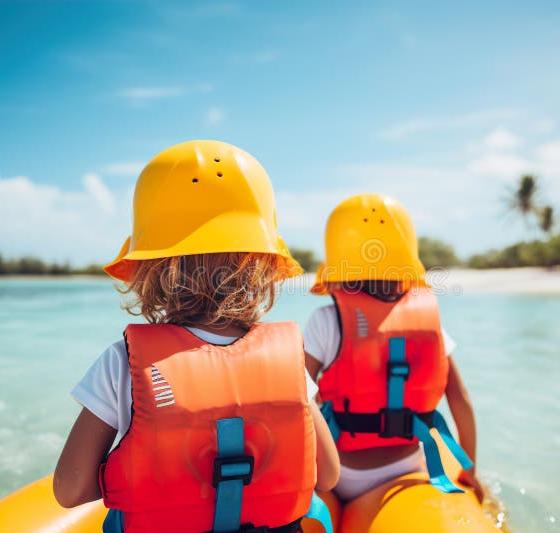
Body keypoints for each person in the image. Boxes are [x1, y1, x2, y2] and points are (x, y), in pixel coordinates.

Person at [53, 140, 339, 533]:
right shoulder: (287, 360)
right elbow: (327, 475)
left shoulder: (125, 361)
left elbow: (70, 490)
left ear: (148, 269)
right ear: (263, 265)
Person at [304, 193, 484, 503]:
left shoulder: (325, 320)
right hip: (410, 466)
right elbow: (460, 399)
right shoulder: (427, 320)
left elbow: (298, 404)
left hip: (342, 473)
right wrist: (470, 470)